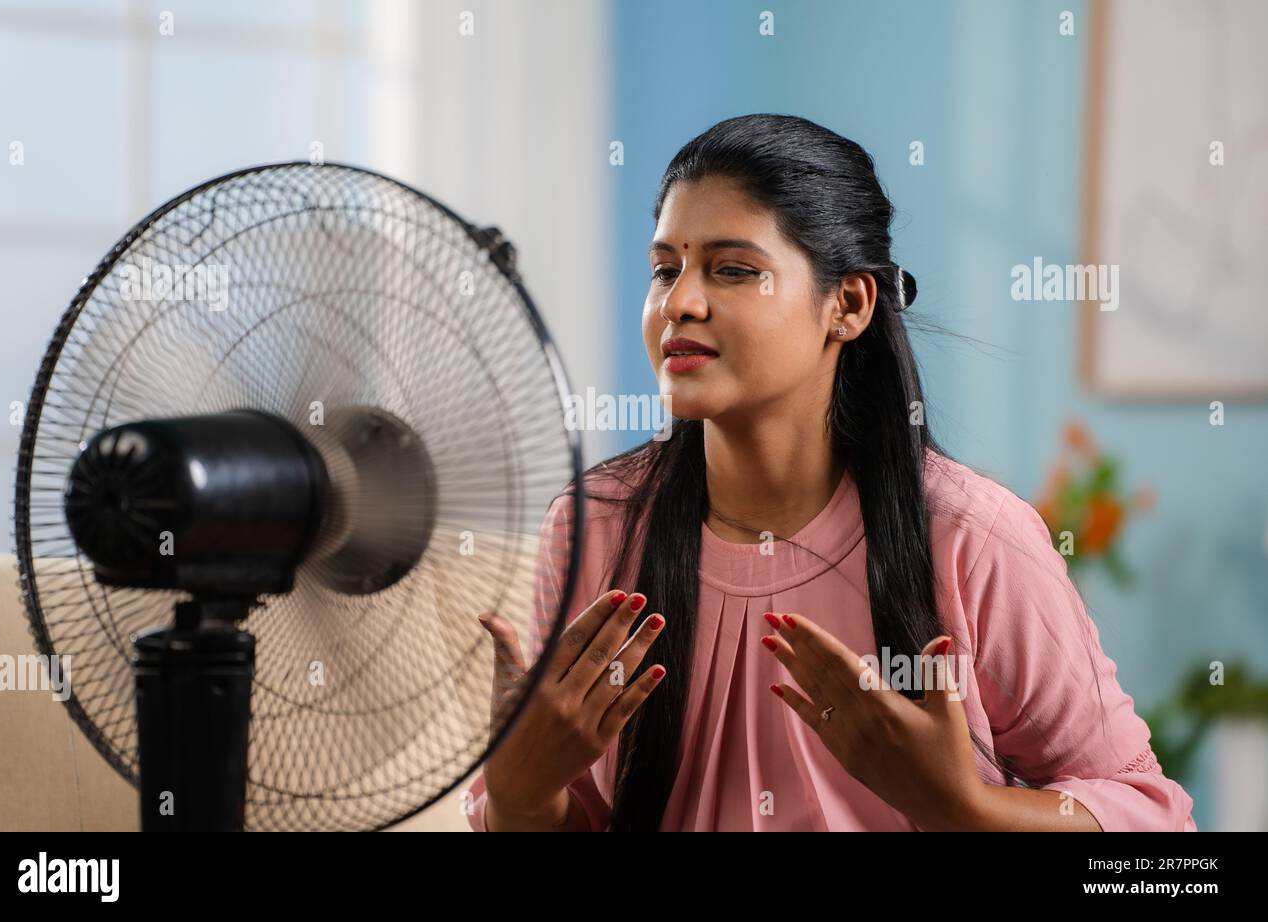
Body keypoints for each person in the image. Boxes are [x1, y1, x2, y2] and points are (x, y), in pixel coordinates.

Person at [466, 114, 1196, 832]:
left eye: (732, 270)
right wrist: (522, 798)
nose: (680, 303)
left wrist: (964, 810)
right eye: (665, 270)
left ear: (846, 305)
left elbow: (1157, 830)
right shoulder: (595, 524)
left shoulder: (973, 538)